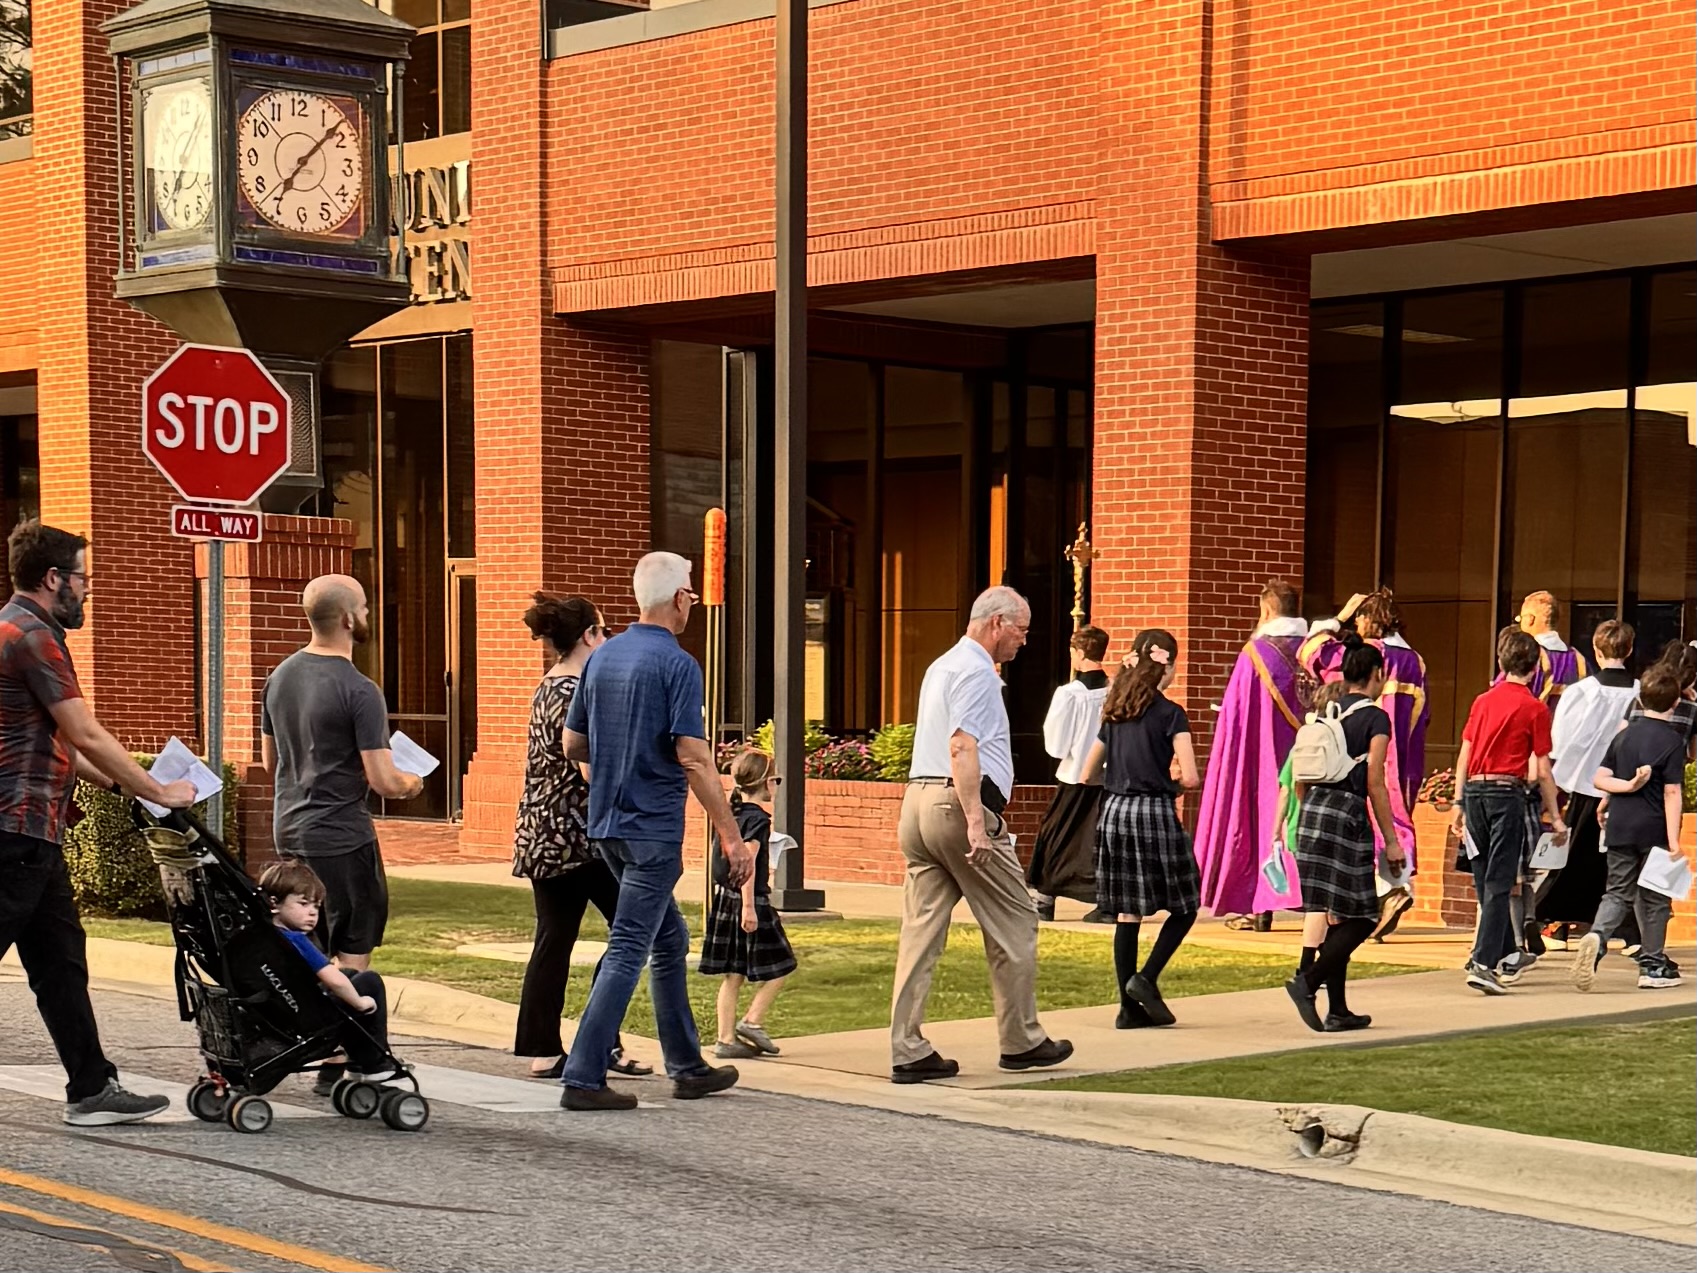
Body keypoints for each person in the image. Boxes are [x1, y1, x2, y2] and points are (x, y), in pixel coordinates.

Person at [0, 522, 197, 1125]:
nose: (89, 590)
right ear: (54, 578)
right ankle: (91, 1086)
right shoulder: (34, 637)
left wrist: (117, 783)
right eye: (84, 578)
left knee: (61, 962)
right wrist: (160, 789)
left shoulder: (11, 627)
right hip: (17, 830)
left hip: (36, 830)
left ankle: (92, 1088)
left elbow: (58, 740)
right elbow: (83, 729)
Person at [560, 552, 757, 1110]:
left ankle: (688, 1066)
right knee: (628, 947)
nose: (692, 600)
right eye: (691, 593)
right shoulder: (678, 664)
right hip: (651, 829)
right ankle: (583, 1076)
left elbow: (574, 744)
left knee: (667, 939)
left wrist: (615, 766)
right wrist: (730, 835)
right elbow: (694, 757)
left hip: (607, 825)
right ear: (677, 600)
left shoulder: (603, 657)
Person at [891, 586, 1073, 1083]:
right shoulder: (976, 673)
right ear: (996, 623)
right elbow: (962, 744)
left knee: (920, 933)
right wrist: (976, 822)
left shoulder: (941, 665)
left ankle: (906, 1047)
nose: (1024, 641)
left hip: (918, 803)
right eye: (1022, 629)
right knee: (1015, 922)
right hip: (957, 806)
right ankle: (1022, 1041)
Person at [511, 591, 649, 1081]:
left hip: (542, 832)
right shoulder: (580, 690)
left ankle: (546, 1047)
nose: (608, 639)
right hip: (581, 838)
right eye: (604, 631)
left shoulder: (548, 685)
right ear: (589, 635)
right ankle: (600, 1042)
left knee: (555, 940)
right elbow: (592, 770)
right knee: (634, 930)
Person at [261, 575, 424, 975]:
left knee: (307, 943)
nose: (368, 613)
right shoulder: (360, 689)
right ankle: (341, 1033)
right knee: (351, 943)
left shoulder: (279, 676)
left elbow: (271, 762)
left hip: (290, 829)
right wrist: (412, 782)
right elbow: (384, 780)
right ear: (349, 619)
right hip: (341, 837)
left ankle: (306, 1028)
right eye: (365, 607)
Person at [1283, 636, 1409, 1033]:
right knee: (1363, 915)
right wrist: (1391, 839)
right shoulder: (1376, 718)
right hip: (1346, 814)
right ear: (1377, 675)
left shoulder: (1329, 709)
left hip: (1314, 810)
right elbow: (1375, 780)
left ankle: (1338, 1009)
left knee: (1338, 915)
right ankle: (1308, 982)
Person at [1079, 629, 1201, 1029]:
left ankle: (1126, 1010)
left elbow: (1085, 773)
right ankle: (1145, 979)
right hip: (1153, 812)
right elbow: (1192, 778)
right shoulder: (1171, 714)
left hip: (1114, 812)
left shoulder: (1114, 711)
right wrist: (1171, 777)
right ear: (1164, 667)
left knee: (1127, 913)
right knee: (1185, 905)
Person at [1301, 589, 1429, 939]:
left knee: (1366, 819)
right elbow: (1423, 716)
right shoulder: (1415, 661)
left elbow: (1310, 652)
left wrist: (1338, 618)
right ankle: (1398, 885)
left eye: (1360, 618)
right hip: (1402, 754)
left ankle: (1386, 893)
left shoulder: (1361, 657)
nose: (1356, 624)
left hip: (1362, 750)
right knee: (1395, 817)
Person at [1452, 627, 1567, 995]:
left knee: (1486, 880)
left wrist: (1457, 801)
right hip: (1506, 794)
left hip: (1475, 791)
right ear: (1534, 668)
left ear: (1501, 663)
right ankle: (1483, 963)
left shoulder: (1482, 701)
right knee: (1502, 881)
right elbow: (1544, 769)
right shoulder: (1534, 708)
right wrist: (1557, 816)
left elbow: (1465, 753)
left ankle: (1504, 952)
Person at [1193, 579, 1311, 932]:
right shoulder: (1313, 652)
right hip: (1309, 757)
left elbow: (1236, 710)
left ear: (1267, 610)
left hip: (1263, 758)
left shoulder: (1256, 653)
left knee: (1259, 819)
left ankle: (1259, 906)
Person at [1572, 661, 1689, 992]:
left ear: (1640, 700)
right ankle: (1652, 965)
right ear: (1675, 703)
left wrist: (1616, 794)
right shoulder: (1672, 741)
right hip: (1653, 828)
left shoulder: (1623, 736)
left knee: (1617, 893)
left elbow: (1600, 778)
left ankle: (1597, 935)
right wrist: (1673, 841)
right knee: (1654, 899)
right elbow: (1671, 792)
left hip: (1620, 826)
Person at [1535, 620, 1640, 944]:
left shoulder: (1581, 692)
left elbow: (1561, 739)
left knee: (1573, 860)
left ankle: (1557, 922)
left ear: (1596, 650)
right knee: (1620, 860)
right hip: (1626, 786)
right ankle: (1624, 929)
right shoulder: (1640, 691)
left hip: (1584, 782)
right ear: (1630, 650)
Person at [258, 859, 401, 1081]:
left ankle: (357, 1062)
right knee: (369, 982)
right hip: (308, 1018)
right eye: (303, 904)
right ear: (274, 903)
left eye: (316, 906)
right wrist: (359, 1002)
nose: (313, 913)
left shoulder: (263, 936)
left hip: (283, 1010)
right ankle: (376, 1063)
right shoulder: (296, 941)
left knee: (351, 975)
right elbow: (333, 979)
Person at [699, 747, 796, 1059]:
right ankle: (753, 1021)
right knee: (782, 964)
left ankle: (726, 1039)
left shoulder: (731, 814)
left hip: (725, 899)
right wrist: (750, 908)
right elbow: (747, 864)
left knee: (734, 974)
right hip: (748, 900)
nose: (777, 787)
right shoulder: (757, 820)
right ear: (767, 783)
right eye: (776, 780)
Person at [1027, 625, 1112, 923]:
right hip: (1106, 779)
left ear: (1077, 653)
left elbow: (1056, 744)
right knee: (1099, 839)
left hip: (1075, 775)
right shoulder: (1114, 691)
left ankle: (1045, 898)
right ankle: (1106, 899)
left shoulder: (1068, 695)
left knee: (1055, 835)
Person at [1509, 591, 1589, 706]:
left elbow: (1506, 699)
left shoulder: (1526, 656)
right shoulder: (1580, 659)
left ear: (1530, 619)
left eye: (1521, 618)